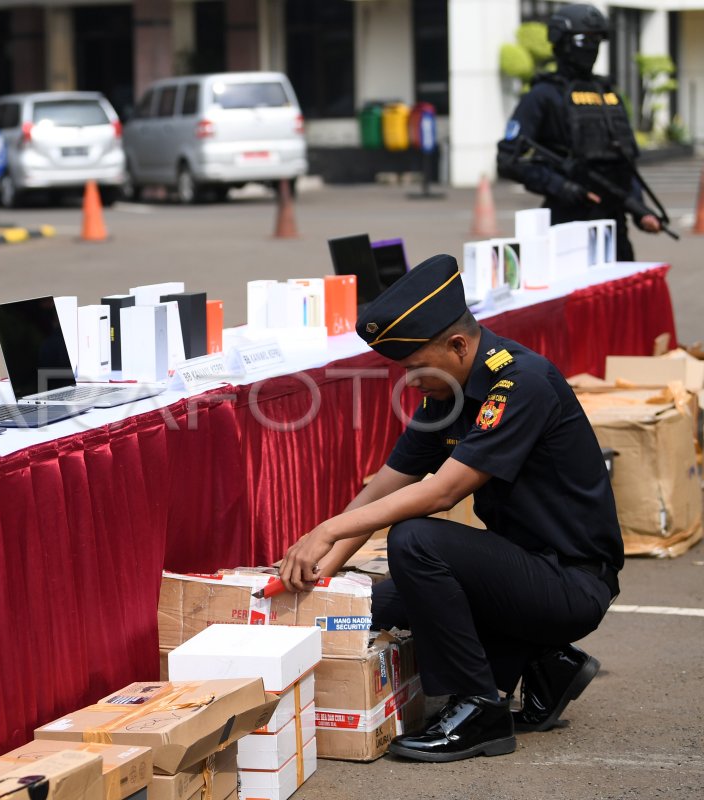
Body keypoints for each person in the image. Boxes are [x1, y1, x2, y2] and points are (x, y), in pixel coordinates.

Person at [277, 253, 623, 763]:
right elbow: (381, 491)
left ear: (458, 345)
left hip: (571, 583)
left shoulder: (520, 382)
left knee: (416, 540)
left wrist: (328, 529)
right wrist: (320, 577)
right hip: (521, 571)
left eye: (415, 368)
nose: (411, 382)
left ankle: (480, 709)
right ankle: (544, 660)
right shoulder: (447, 395)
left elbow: (442, 492)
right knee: (366, 609)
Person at [496, 3, 661, 261]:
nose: (592, 47)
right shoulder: (543, 95)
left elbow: (625, 164)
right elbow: (507, 160)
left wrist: (640, 210)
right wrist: (562, 187)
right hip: (567, 225)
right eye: (584, 40)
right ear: (561, 42)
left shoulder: (608, 94)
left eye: (597, 40)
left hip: (614, 227)